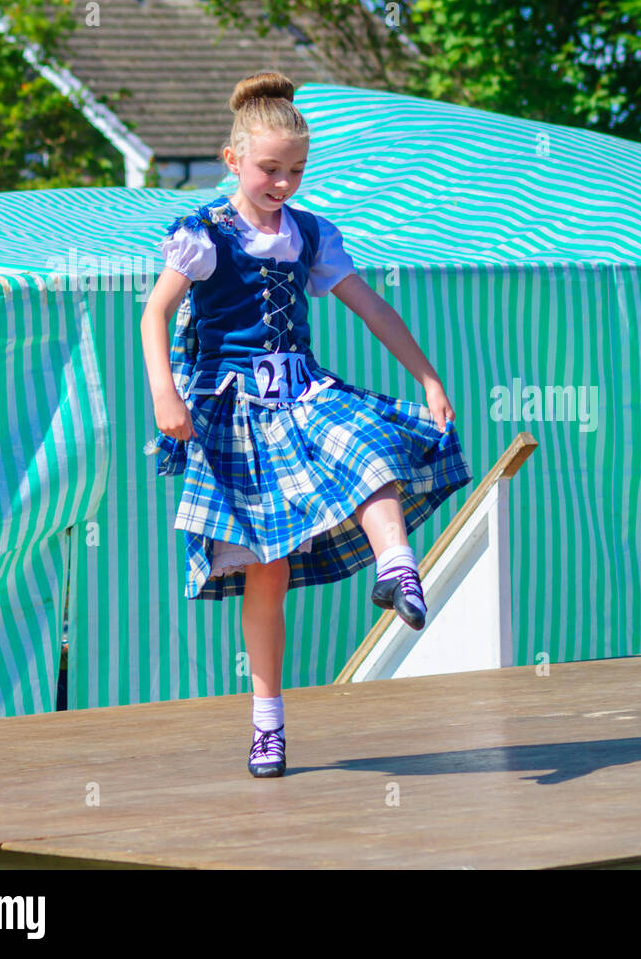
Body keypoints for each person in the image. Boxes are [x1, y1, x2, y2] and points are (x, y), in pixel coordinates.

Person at [139, 71, 472, 776]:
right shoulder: (204, 234)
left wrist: (428, 376)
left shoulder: (310, 234)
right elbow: (155, 313)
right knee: (268, 571)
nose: (283, 183)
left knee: (371, 446)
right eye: (269, 169)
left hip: (304, 393)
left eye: (295, 170)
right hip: (232, 415)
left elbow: (372, 308)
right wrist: (164, 397)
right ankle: (268, 726)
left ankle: (398, 570)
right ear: (234, 162)